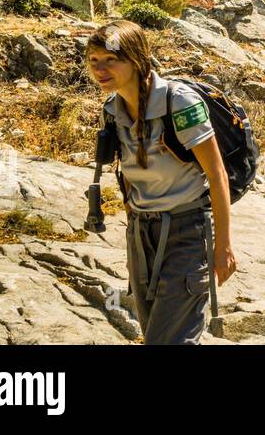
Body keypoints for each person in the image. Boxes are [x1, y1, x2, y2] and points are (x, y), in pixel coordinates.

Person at [85, 19, 237, 344]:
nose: (101, 69)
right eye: (94, 60)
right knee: (156, 334)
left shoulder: (179, 103)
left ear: (136, 59)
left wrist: (222, 246)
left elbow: (217, 173)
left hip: (188, 232)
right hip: (141, 236)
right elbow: (126, 176)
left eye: (111, 60)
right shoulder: (112, 109)